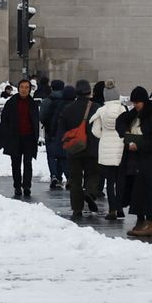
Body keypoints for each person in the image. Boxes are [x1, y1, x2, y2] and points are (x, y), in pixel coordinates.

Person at [117, 87, 152, 239]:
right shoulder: (134, 114)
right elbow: (121, 121)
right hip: (132, 158)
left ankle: (148, 222)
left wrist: (141, 145)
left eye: (138, 102)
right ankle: (140, 220)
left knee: (145, 189)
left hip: (145, 158)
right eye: (134, 102)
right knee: (134, 189)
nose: (135, 105)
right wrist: (125, 133)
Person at [58, 83, 102, 220]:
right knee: (93, 174)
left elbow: (61, 129)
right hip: (92, 147)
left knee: (75, 178)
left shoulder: (68, 109)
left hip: (74, 148)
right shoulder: (96, 108)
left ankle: (77, 208)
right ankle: (90, 192)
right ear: (89, 92)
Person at [91, 82, 128, 219]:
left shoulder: (101, 111)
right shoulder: (122, 109)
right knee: (120, 181)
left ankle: (112, 209)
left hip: (106, 148)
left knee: (110, 181)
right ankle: (120, 208)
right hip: (120, 146)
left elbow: (95, 131)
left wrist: (105, 136)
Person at [0, 79, 42, 198]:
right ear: (18, 89)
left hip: (29, 137)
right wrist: (7, 133)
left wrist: (35, 136)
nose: (24, 89)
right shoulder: (11, 103)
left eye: (26, 87)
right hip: (14, 137)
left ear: (29, 89)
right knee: (15, 163)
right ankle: (17, 186)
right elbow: (4, 119)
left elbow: (35, 121)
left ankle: (27, 186)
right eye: (22, 87)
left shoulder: (32, 103)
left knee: (28, 163)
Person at [41, 79, 68, 191]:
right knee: (62, 155)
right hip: (63, 133)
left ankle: (53, 175)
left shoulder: (47, 101)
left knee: (51, 156)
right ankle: (60, 176)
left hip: (49, 132)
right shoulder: (67, 101)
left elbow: (42, 116)